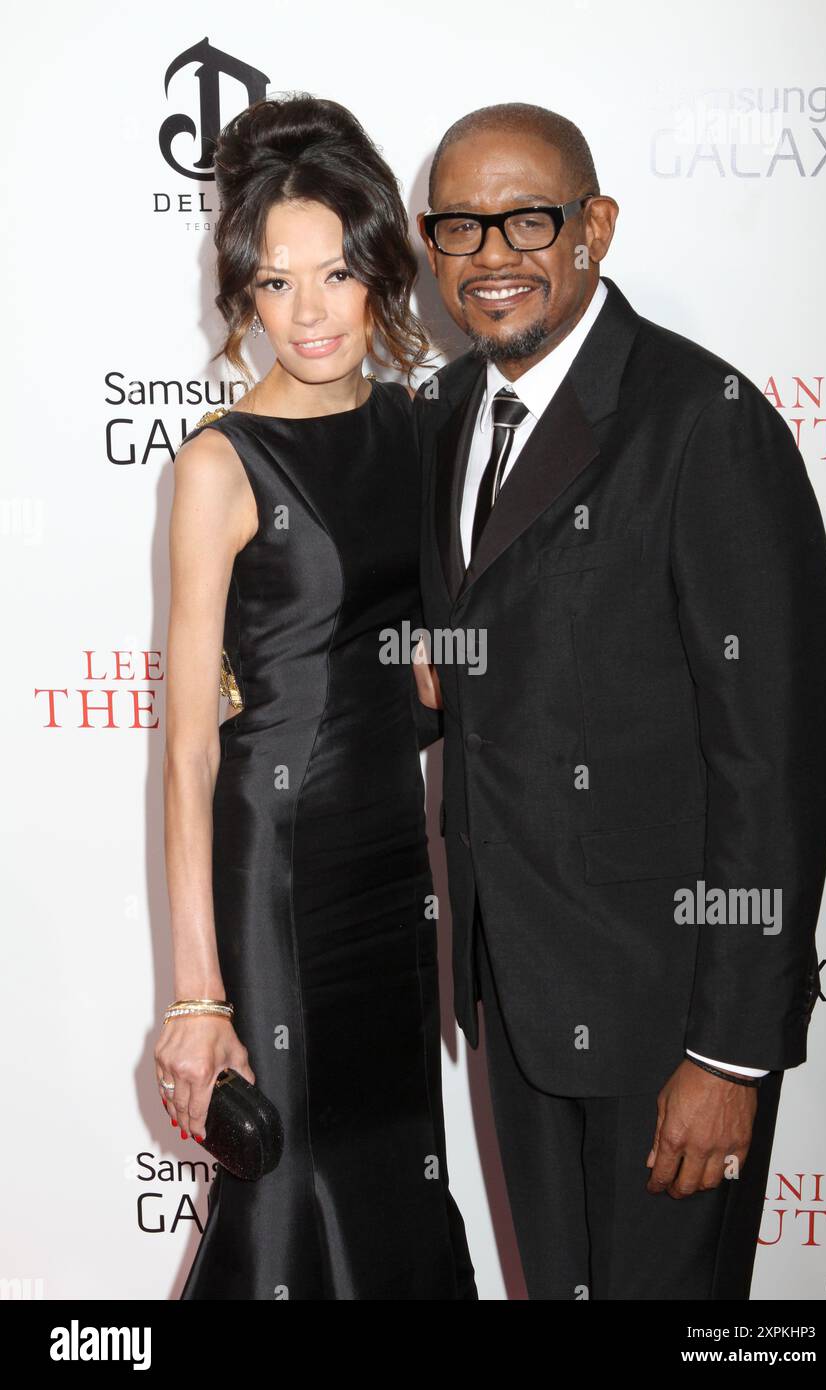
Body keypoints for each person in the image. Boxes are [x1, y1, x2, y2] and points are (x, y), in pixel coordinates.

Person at [413, 102, 826, 1300]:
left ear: (593, 226)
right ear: (429, 245)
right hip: (515, 987)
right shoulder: (444, 415)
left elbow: (774, 762)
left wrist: (728, 1053)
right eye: (459, 226)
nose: (490, 254)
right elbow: (454, 672)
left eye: (527, 219)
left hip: (666, 1019)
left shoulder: (704, 423)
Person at [157, 93, 476, 1300]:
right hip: (275, 870)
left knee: (395, 1157)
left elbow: (427, 658)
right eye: (277, 283)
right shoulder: (220, 464)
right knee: (289, 1176)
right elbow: (188, 747)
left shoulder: (416, 425)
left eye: (335, 274)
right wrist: (197, 996)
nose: (309, 312)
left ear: (377, 271)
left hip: (393, 863)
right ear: (242, 294)